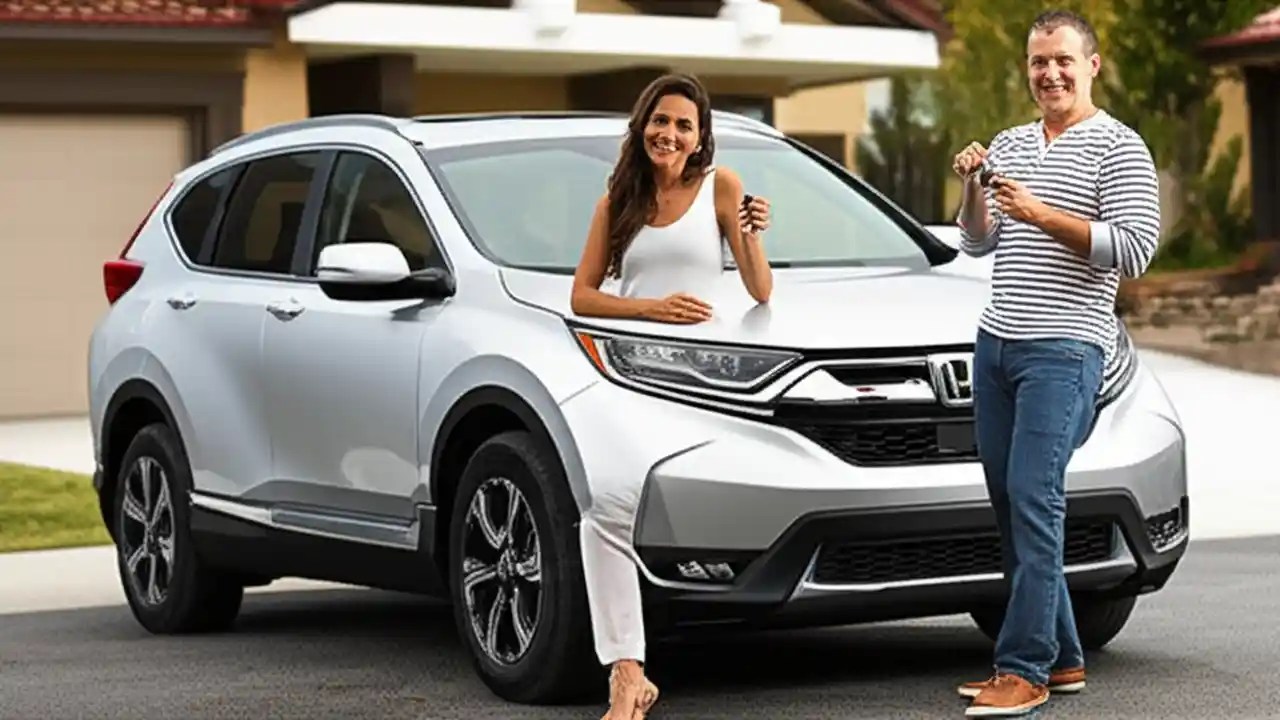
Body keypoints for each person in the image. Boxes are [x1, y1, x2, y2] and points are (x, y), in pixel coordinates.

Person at [950, 9, 1161, 717]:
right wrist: (975, 186)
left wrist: (1041, 213)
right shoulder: (1011, 141)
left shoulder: (1120, 147)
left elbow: (1134, 249)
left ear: (1091, 65)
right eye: (1039, 62)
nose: (1050, 73)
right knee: (1012, 502)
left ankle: (1024, 668)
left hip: (1065, 351)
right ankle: (1064, 656)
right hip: (995, 347)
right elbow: (978, 242)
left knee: (1034, 497)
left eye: (1063, 60)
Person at [569, 72, 773, 719]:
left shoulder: (722, 187)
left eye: (685, 125)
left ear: (700, 137)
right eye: (661, 121)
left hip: (707, 384)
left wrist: (753, 234)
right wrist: (650, 308)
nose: (670, 133)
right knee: (606, 505)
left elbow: (760, 289)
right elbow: (582, 296)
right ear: (643, 127)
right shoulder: (616, 201)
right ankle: (627, 673)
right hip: (632, 377)